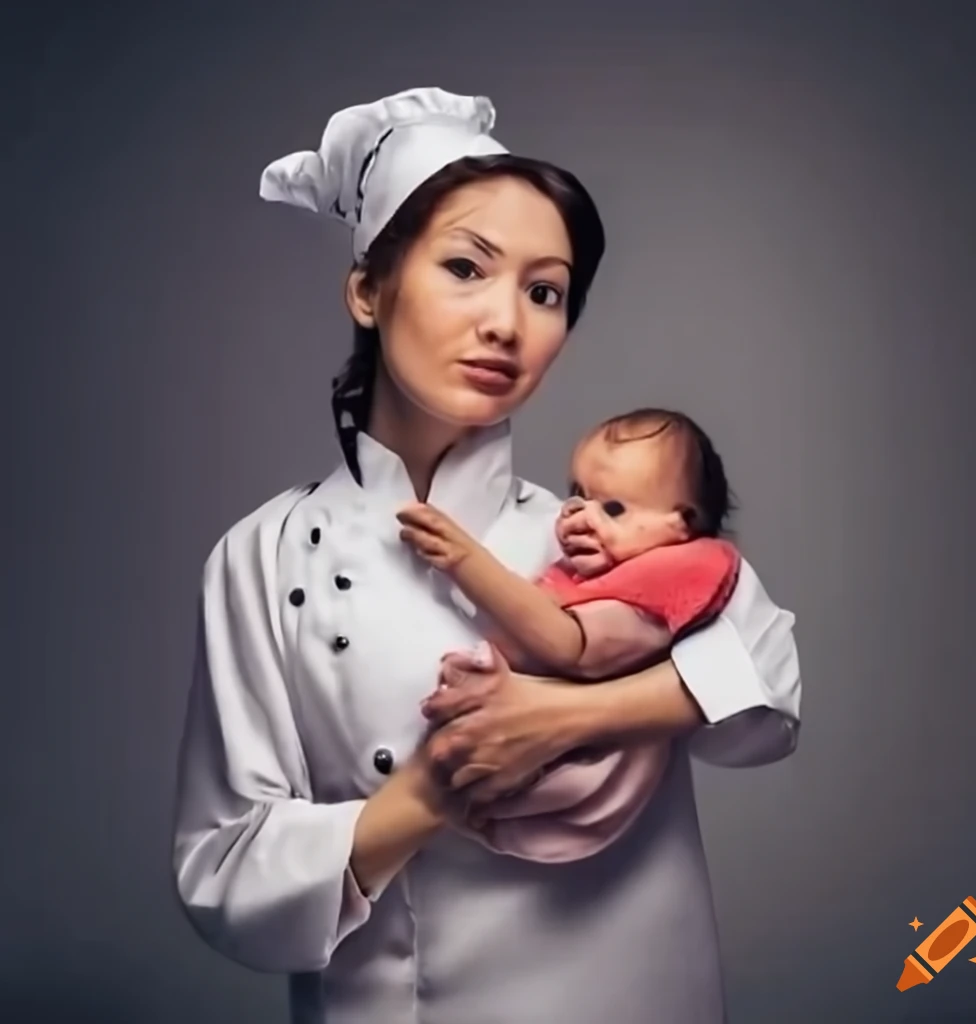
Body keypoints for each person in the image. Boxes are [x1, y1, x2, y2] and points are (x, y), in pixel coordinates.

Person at [172, 86, 802, 1024]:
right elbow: (225, 873)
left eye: (544, 291)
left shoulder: (604, 537)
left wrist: (552, 719)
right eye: (467, 267)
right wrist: (430, 791)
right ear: (368, 289)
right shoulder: (261, 559)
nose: (507, 322)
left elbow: (769, 693)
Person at [398, 406, 742, 863]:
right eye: (576, 495)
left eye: (613, 508)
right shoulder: (595, 572)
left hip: (583, 780)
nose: (580, 515)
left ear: (680, 525)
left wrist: (465, 560)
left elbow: (570, 646)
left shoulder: (663, 585)